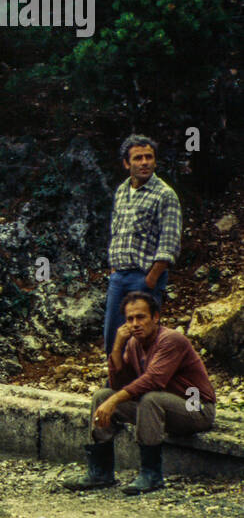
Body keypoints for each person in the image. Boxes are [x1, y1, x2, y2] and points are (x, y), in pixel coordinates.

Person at [65, 291, 215, 495]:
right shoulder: (134, 344)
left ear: (155, 317)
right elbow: (120, 384)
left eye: (141, 317)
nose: (135, 324)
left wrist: (115, 400)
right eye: (130, 319)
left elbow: (153, 380)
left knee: (150, 399)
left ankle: (151, 474)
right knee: (102, 396)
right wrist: (117, 348)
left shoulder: (171, 340)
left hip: (196, 407)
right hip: (164, 407)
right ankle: (100, 472)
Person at [103, 135, 182, 372]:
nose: (145, 162)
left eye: (149, 157)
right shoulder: (121, 191)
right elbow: (116, 230)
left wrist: (151, 279)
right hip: (119, 277)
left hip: (144, 277)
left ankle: (139, 391)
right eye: (138, 158)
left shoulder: (164, 195)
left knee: (141, 339)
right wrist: (114, 268)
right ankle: (116, 386)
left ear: (155, 162)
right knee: (113, 335)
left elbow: (170, 243)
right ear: (127, 164)